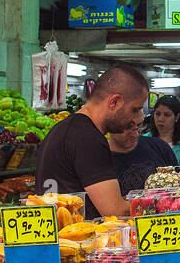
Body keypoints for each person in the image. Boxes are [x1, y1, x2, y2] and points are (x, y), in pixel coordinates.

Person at [35, 65, 149, 218]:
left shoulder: (64, 129)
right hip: (77, 238)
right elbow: (115, 211)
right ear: (114, 102)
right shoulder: (87, 139)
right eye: (134, 109)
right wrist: (160, 203)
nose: (135, 120)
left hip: (62, 237)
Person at [109, 121, 179, 196]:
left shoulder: (158, 146)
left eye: (139, 126)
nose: (136, 134)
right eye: (128, 127)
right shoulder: (101, 160)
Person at [145, 94, 180, 175]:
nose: (161, 119)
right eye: (157, 114)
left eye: (167, 115)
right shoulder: (143, 141)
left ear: (177, 117)